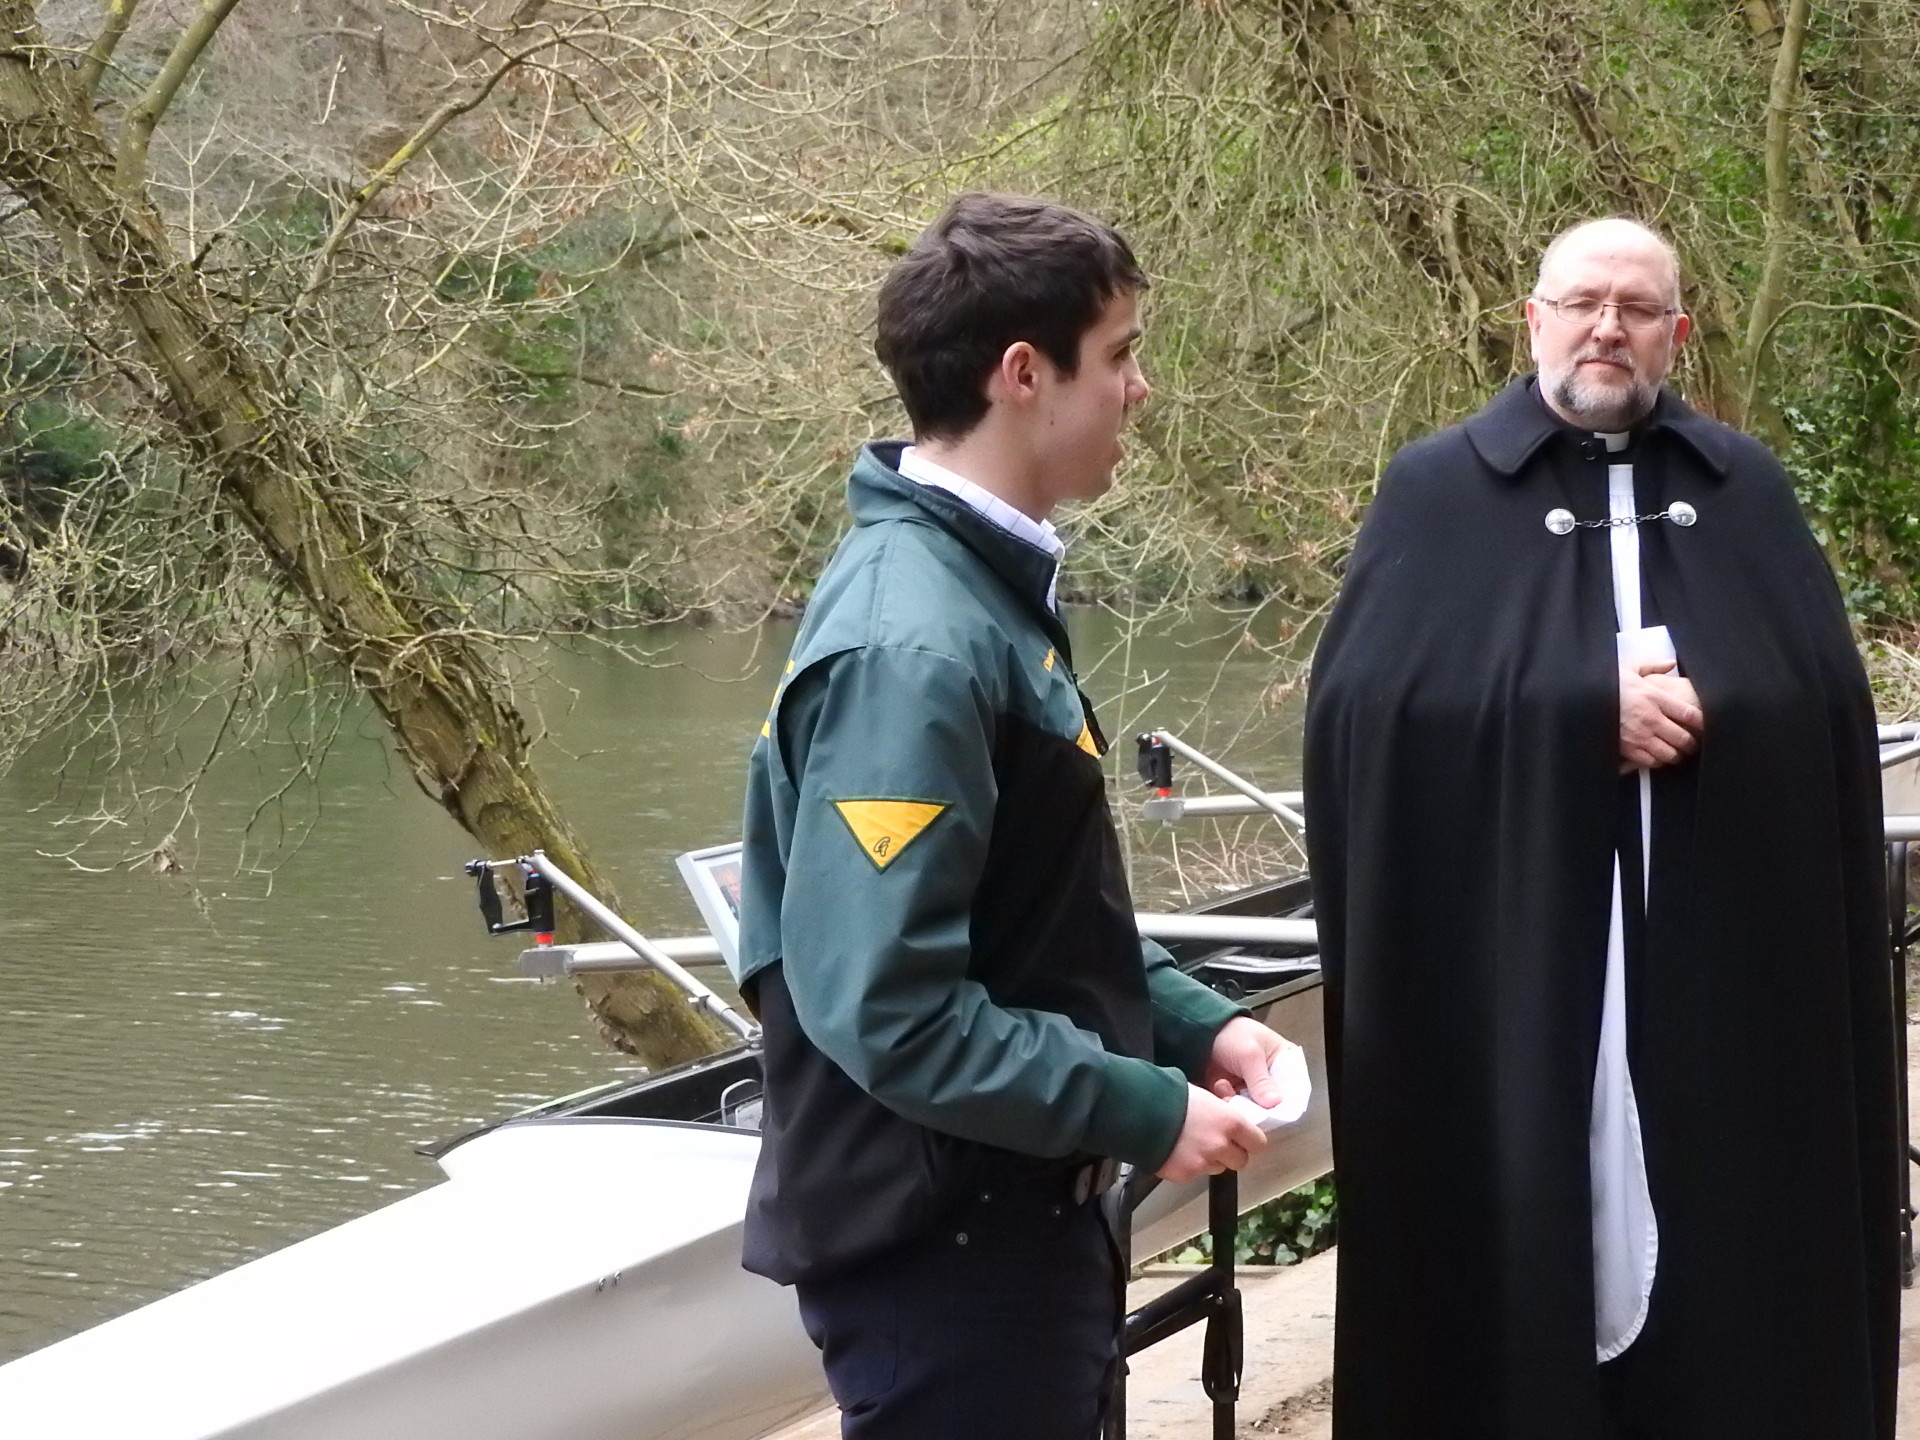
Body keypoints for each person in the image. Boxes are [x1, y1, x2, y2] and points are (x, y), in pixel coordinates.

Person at [1304, 217, 1900, 1440]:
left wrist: (1721, 708)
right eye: (1583, 303)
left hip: (1717, 967)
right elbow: (1367, 716)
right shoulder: (1439, 490)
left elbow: (1823, 706)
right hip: (1518, 967)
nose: (1607, 328)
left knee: (1729, 1233)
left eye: (1637, 309)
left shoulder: (1744, 489)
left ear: (1678, 332)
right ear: (1534, 319)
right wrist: (1577, 712)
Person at [732, 192, 1295, 1439]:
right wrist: (1147, 1109)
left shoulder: (976, 595)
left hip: (1007, 1221)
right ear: (1025, 373)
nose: (1141, 388)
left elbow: (1029, 919)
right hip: (946, 1251)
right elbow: (893, 1007)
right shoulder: (913, 643)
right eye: (1121, 354)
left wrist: (1192, 1025)